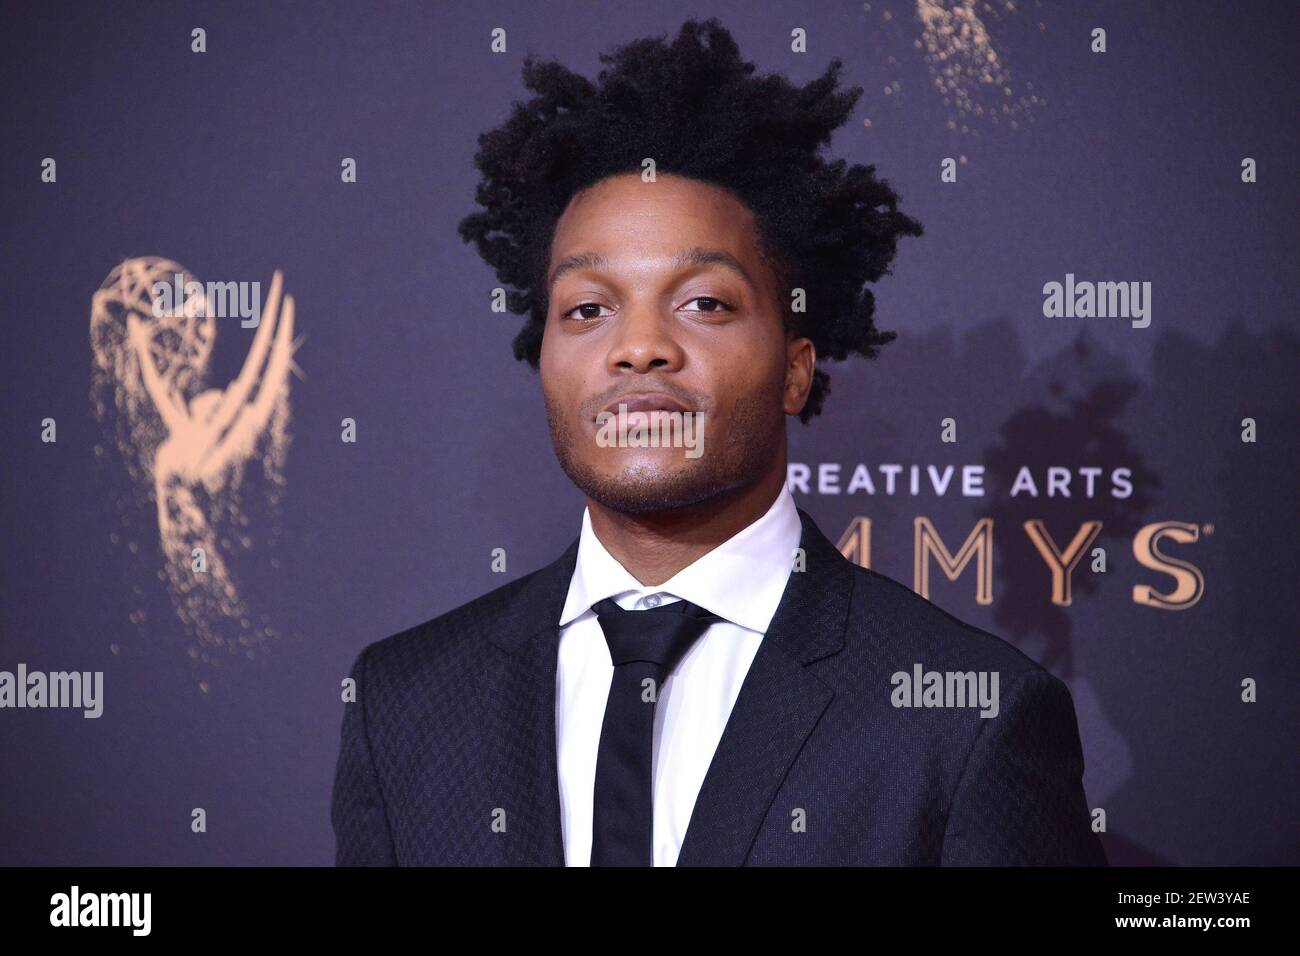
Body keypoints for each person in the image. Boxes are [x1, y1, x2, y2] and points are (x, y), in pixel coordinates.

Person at [331, 18, 1105, 866]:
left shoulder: (971, 718)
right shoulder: (403, 702)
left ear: (794, 369)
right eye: (588, 309)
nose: (639, 346)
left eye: (704, 303)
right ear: (543, 357)